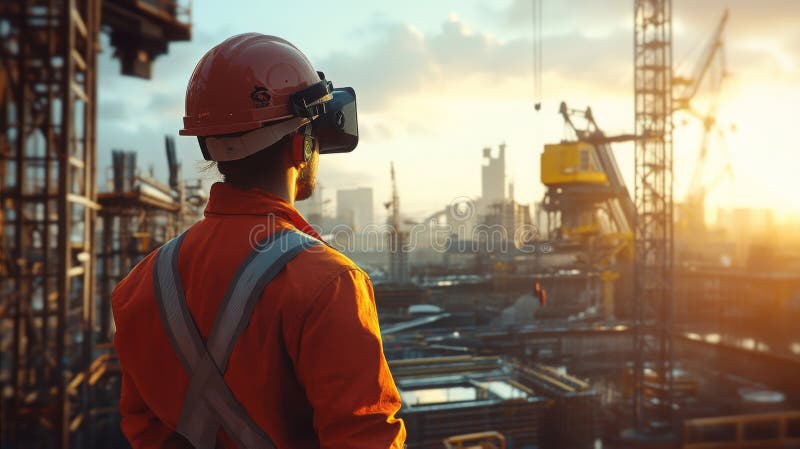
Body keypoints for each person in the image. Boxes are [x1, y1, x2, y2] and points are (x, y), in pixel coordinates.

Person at [112, 33, 406, 449]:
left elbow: (144, 429)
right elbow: (366, 438)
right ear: (302, 145)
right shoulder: (328, 283)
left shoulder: (139, 285)